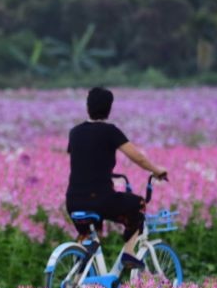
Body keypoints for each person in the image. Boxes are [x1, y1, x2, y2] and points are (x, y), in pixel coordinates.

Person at [65, 87, 167, 269]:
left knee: (90, 240)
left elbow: (83, 160)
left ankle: (78, 274)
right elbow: (138, 158)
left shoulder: (75, 132)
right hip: (100, 199)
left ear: (87, 107)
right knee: (138, 204)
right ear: (109, 109)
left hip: (73, 200)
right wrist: (157, 170)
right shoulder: (110, 131)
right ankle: (129, 252)